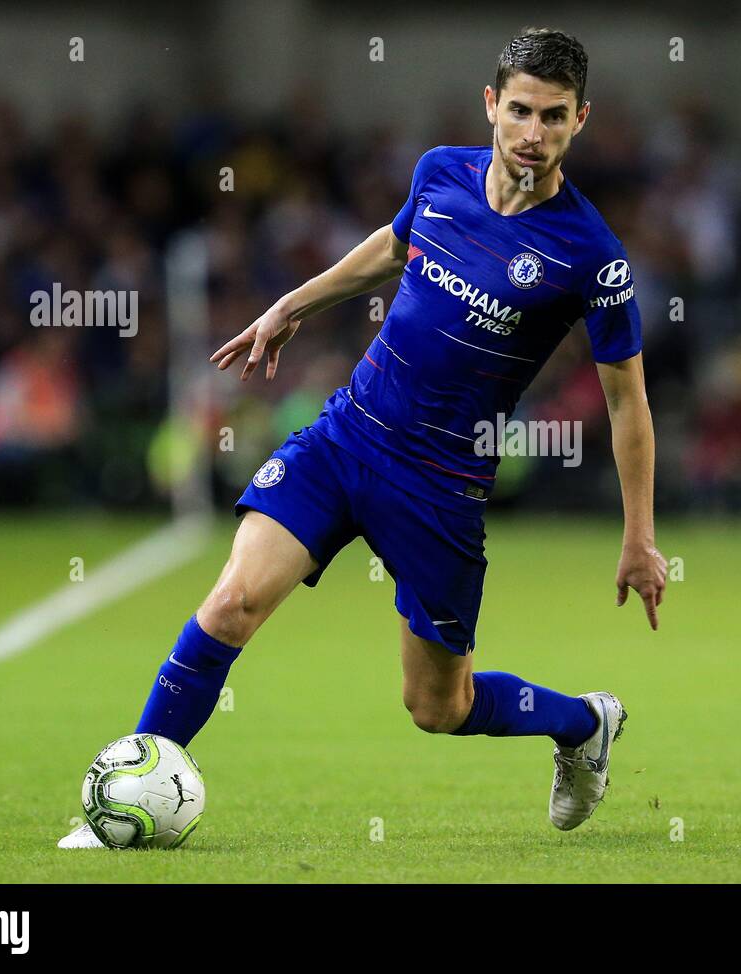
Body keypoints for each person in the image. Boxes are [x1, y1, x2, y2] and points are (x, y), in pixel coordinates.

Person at [61, 26, 666, 847]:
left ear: (580, 121)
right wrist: (287, 308)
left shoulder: (590, 254)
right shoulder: (439, 174)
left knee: (436, 708)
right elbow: (389, 249)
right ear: (491, 104)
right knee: (232, 603)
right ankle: (130, 798)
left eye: (553, 118)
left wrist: (639, 537)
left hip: (440, 488)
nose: (533, 134)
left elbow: (627, 401)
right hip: (348, 437)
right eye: (519, 111)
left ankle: (581, 724)